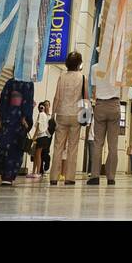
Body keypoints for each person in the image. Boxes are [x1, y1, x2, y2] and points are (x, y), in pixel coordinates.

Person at [50, 51, 88, 186]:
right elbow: (85, 98)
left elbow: (57, 97)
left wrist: (52, 114)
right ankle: (69, 178)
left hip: (62, 114)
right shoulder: (82, 77)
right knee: (73, 147)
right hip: (76, 115)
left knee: (58, 146)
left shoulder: (62, 76)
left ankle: (54, 176)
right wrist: (86, 117)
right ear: (79, 63)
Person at [0, 77, 33, 186]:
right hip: (11, 119)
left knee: (13, 148)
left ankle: (9, 175)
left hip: (17, 120)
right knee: (6, 147)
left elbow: (4, 100)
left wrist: (25, 117)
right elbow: (4, 100)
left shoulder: (18, 82)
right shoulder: (24, 83)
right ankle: (6, 173)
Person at [87, 69, 121, 186]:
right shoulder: (117, 66)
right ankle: (111, 177)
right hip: (114, 104)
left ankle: (95, 176)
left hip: (100, 104)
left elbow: (94, 90)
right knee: (113, 145)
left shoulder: (95, 67)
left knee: (98, 143)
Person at [28, 101, 53, 178]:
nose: (41, 108)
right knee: (36, 154)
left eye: (43, 107)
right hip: (41, 137)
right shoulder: (43, 115)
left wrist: (33, 137)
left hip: (42, 137)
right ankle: (35, 171)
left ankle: (38, 172)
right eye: (40, 107)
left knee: (38, 154)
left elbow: (38, 128)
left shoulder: (42, 115)